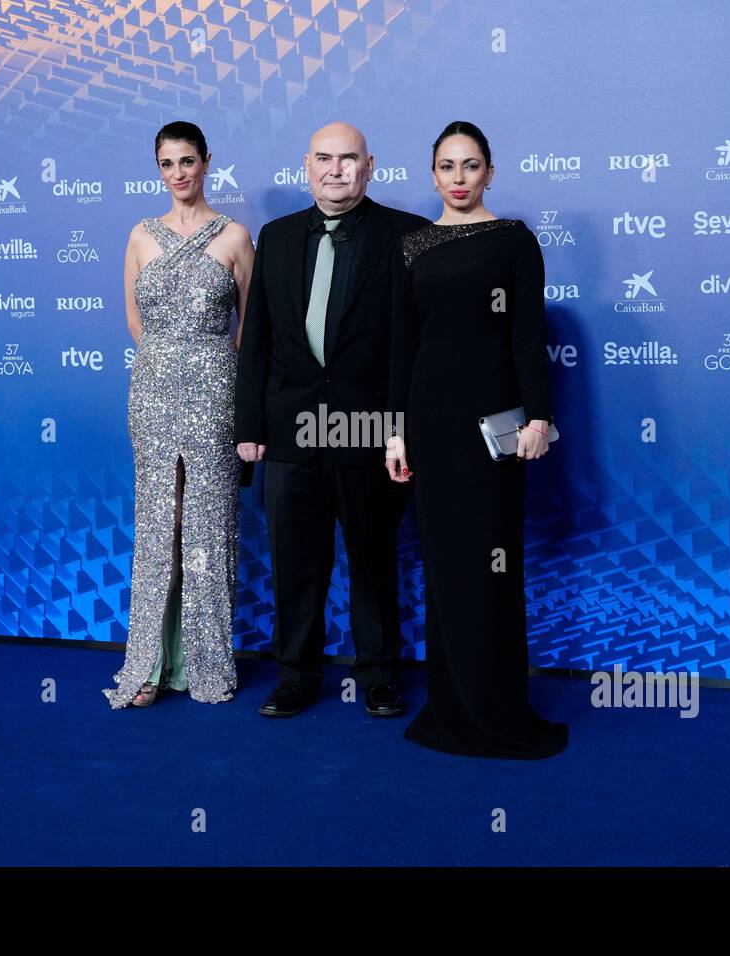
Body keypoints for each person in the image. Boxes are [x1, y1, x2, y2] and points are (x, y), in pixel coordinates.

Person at [385, 121, 570, 758]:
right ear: (432, 174)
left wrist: (538, 420)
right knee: (445, 568)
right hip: (430, 426)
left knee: (493, 567)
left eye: (470, 166)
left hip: (495, 430)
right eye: (446, 166)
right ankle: (453, 710)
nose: (458, 179)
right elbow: (401, 350)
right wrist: (395, 433)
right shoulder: (410, 246)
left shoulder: (515, 242)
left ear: (490, 171)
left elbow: (526, 339)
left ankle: (497, 711)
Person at [235, 121, 429, 718]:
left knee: (372, 559)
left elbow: (414, 348)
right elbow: (258, 341)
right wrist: (248, 427)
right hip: (291, 428)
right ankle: (296, 675)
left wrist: (401, 428)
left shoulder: (407, 235)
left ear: (370, 167)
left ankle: (377, 675)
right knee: (297, 561)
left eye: (349, 159)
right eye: (325, 158)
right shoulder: (278, 236)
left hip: (369, 429)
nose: (336, 169)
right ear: (307, 165)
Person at [104, 121, 254, 708]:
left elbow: (252, 329)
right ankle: (148, 666)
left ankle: (205, 666)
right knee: (157, 525)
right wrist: (170, 362)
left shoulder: (236, 237)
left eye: (188, 161)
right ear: (157, 168)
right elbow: (135, 324)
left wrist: (214, 369)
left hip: (217, 392)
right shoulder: (140, 235)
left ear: (207, 161)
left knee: (209, 526)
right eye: (167, 164)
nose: (179, 174)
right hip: (154, 391)